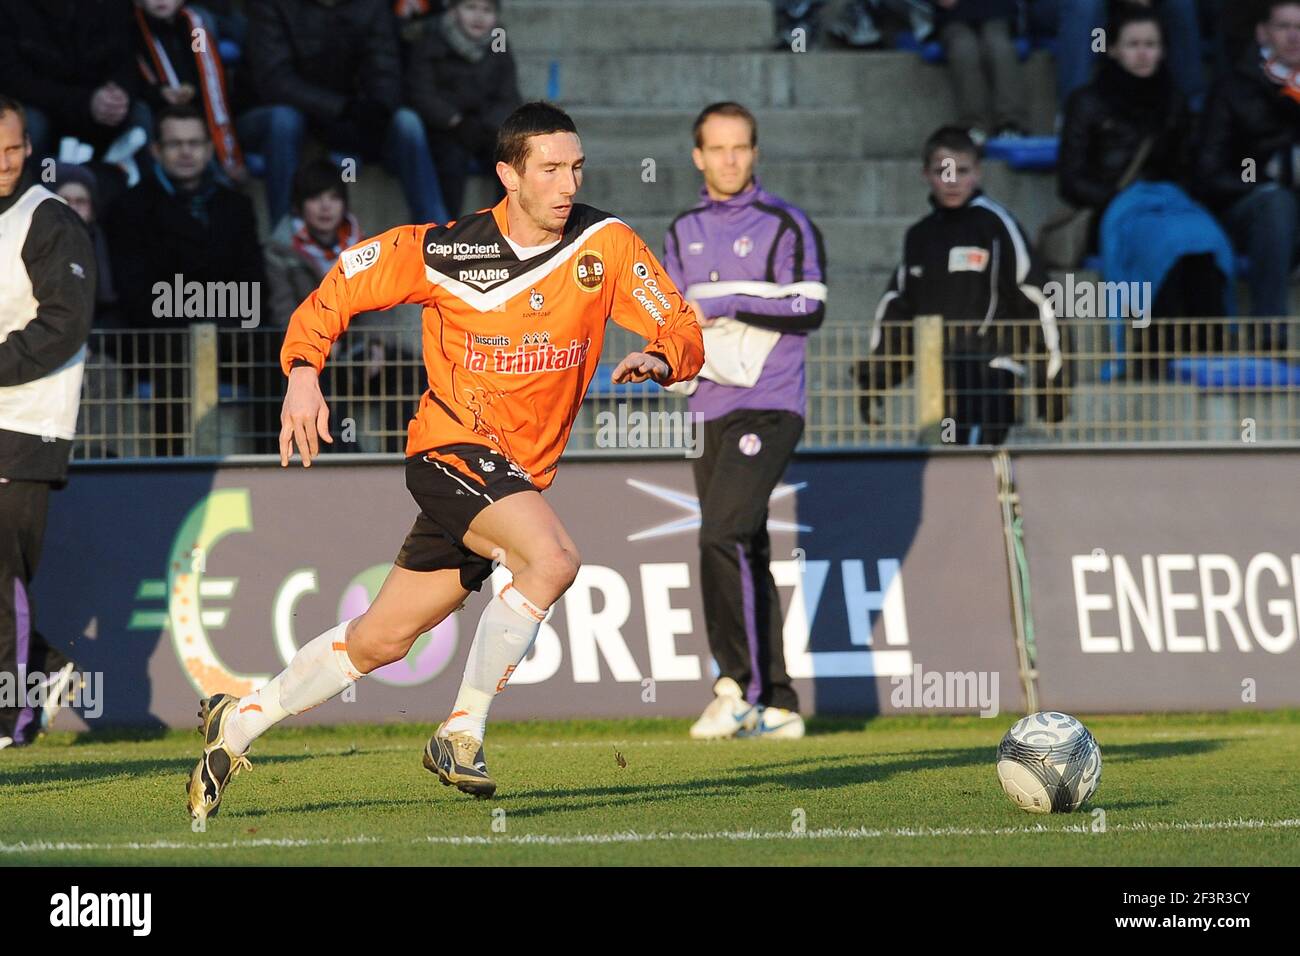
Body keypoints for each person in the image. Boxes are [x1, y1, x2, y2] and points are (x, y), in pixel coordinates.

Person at [184, 101, 704, 822]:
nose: (568, 184)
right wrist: (303, 369)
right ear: (508, 175)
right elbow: (343, 283)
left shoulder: (604, 246)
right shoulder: (447, 250)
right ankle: (460, 732)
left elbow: (681, 322)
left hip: (511, 481)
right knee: (552, 560)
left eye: (576, 168)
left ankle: (237, 723)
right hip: (450, 450)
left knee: (382, 639)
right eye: (550, 169)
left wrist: (664, 356)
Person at [662, 102, 825, 741]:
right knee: (745, 544)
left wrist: (726, 300)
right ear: (698, 156)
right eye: (717, 148)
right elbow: (675, 319)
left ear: (755, 153)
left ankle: (736, 688)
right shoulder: (682, 228)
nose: (729, 160)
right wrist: (664, 360)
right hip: (707, 405)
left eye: (740, 148)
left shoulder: (786, 223)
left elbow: (811, 304)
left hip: (771, 403)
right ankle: (778, 703)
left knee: (720, 534)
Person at [1059, 5, 1234, 366]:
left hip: (1170, 209)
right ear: (1113, 49)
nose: (1143, 54)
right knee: (1167, 247)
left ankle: (1211, 361)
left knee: (1206, 244)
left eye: (1151, 45)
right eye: (1133, 44)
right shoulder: (1087, 102)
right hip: (1114, 213)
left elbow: (1187, 170)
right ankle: (1156, 358)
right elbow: (1071, 181)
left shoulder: (1174, 100)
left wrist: (1161, 198)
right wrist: (1125, 200)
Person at [864, 126, 1061, 445]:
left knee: (981, 452)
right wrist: (876, 378)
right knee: (945, 451)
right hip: (940, 378)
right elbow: (897, 308)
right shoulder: (920, 236)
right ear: (925, 174)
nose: (952, 181)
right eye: (942, 171)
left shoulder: (995, 225)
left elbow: (1038, 297)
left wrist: (1051, 380)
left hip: (994, 369)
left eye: (962, 171)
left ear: (978, 172)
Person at [0, 98, 95, 750]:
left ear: (29, 146)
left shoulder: (48, 219)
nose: (4, 164)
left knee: (2, 576)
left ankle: (11, 717)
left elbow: (65, 323)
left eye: (12, 149)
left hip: (26, 426)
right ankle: (47, 668)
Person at [105, 104, 266, 454]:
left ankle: (281, 465)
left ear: (208, 149)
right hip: (159, 340)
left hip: (230, 335)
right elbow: (136, 292)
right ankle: (173, 470)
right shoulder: (128, 208)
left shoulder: (236, 207)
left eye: (194, 143)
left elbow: (253, 284)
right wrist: (201, 314)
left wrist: (213, 317)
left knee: (277, 350)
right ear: (156, 150)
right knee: (174, 349)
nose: (186, 152)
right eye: (175, 144)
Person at [241, 0, 449, 226]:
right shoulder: (272, 5)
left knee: (406, 122)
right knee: (284, 120)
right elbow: (275, 82)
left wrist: (379, 107)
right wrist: (341, 108)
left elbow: (384, 68)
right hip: (279, 116)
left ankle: (437, 233)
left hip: (349, 118)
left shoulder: (371, 6)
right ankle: (284, 233)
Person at [265, 159, 421, 452]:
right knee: (313, 382)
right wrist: (320, 345)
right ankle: (344, 460)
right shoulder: (279, 250)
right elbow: (283, 310)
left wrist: (375, 344)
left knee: (412, 371)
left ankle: (400, 455)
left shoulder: (363, 244)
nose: (326, 207)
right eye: (315, 198)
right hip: (315, 352)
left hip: (358, 346)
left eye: (334, 198)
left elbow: (380, 301)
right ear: (299, 206)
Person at [1196, 0, 1300, 323]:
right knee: (1276, 204)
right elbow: (1208, 175)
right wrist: (1267, 179)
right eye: (1284, 26)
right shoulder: (1233, 88)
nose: (1294, 36)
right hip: (1249, 210)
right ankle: (1270, 335)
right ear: (1262, 33)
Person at [406, 0, 522, 218]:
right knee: (451, 161)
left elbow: (508, 97)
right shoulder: (430, 41)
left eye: (487, 10)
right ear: (453, 11)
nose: (479, 17)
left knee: (511, 155)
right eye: (470, 8)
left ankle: (508, 222)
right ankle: (449, 227)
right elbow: (421, 93)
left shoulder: (499, 44)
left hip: (486, 127)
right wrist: (454, 120)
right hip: (445, 129)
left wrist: (487, 125)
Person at [0, 0, 148, 164]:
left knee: (139, 117)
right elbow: (14, 80)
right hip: (44, 106)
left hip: (98, 104)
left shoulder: (110, 6)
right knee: (27, 124)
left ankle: (126, 177)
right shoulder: (10, 8)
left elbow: (126, 58)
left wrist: (118, 93)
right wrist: (85, 102)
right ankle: (36, 177)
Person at [130, 0, 248, 184]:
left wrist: (193, 88)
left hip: (202, 111)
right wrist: (160, 93)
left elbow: (205, 68)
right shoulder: (132, 31)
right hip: (158, 115)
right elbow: (133, 79)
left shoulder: (196, 27)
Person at [934, 0, 1030, 141]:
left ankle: (1011, 124)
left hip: (997, 12)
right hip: (950, 18)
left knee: (999, 48)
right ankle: (973, 126)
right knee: (964, 50)